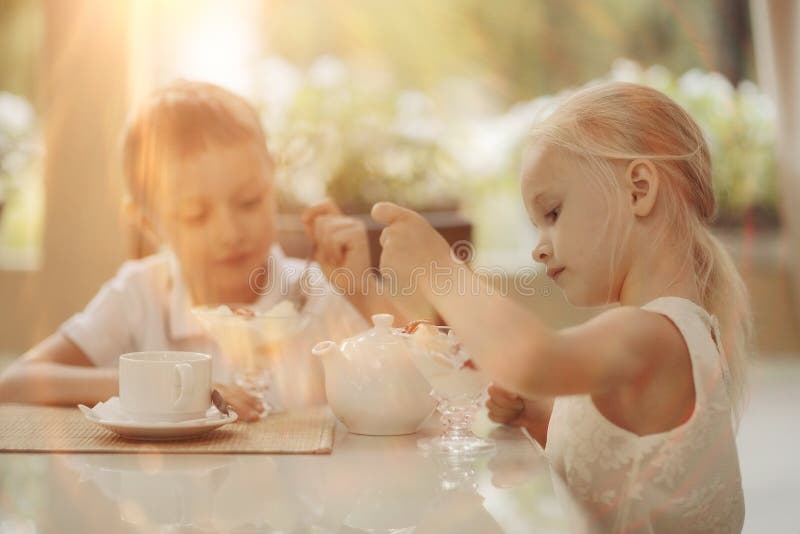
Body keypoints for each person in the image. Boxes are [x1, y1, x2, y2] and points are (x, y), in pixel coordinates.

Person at [372, 81, 749, 532]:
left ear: (638, 190)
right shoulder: (680, 335)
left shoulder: (653, 336)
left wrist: (437, 267)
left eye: (552, 214)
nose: (539, 249)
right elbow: (622, 477)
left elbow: (534, 358)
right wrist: (542, 415)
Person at [0, 80, 407, 420]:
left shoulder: (317, 292)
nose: (229, 233)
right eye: (195, 215)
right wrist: (165, 382)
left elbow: (426, 383)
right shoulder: (140, 294)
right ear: (146, 222)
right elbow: (15, 383)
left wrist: (361, 288)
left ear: (272, 182)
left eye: (249, 201)